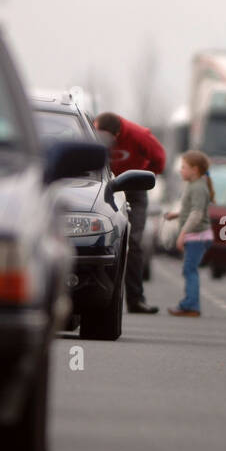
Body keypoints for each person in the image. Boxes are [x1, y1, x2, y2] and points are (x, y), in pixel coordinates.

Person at [94, 111, 166, 314]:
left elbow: (159, 159)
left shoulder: (139, 135)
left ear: (118, 135)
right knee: (98, 236)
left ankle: (136, 299)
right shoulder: (90, 130)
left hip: (134, 188)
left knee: (133, 241)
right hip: (102, 186)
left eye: (109, 140)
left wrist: (145, 177)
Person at [165, 150, 215, 316]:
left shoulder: (198, 188)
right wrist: (176, 215)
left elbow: (197, 214)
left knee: (190, 270)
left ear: (194, 170)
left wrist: (182, 234)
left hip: (197, 236)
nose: (181, 170)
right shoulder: (194, 185)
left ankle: (191, 305)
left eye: (184, 167)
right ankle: (189, 303)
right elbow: (191, 210)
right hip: (196, 236)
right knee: (189, 269)